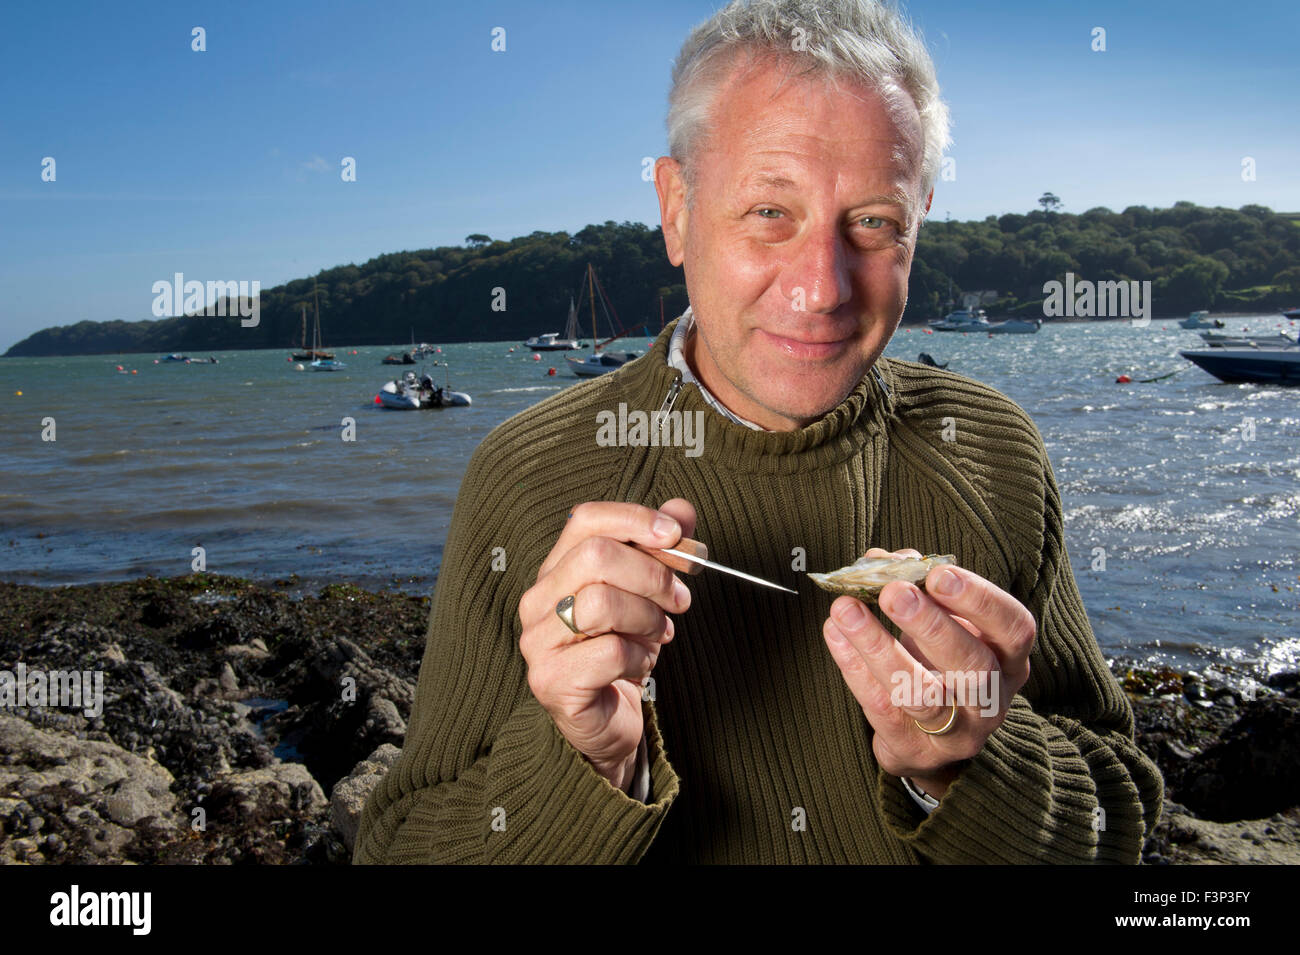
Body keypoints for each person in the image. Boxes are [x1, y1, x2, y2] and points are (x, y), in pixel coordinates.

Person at [355, 0, 1163, 864]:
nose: (821, 287)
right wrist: (587, 761)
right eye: (770, 212)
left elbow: (1115, 819)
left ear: (920, 216)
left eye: (874, 222)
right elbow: (398, 848)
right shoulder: (524, 476)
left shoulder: (995, 450)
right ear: (675, 209)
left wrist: (962, 770)